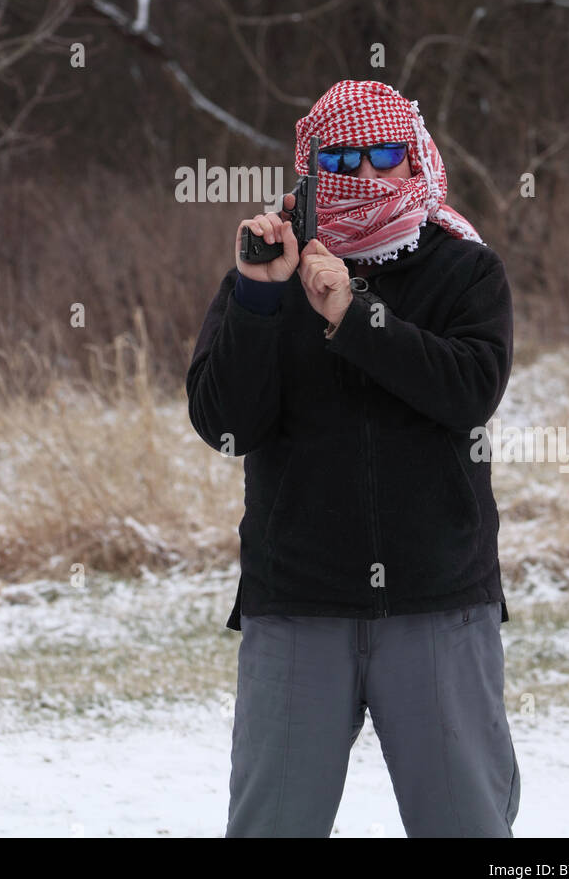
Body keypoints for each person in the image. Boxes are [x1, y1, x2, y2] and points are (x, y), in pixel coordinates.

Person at [186, 79, 520, 838]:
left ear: (415, 159)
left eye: (384, 155)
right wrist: (259, 300)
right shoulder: (268, 265)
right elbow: (224, 424)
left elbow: (469, 390)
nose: (366, 176)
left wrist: (354, 315)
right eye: (342, 157)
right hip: (298, 602)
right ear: (311, 165)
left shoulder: (463, 268)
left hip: (438, 602)